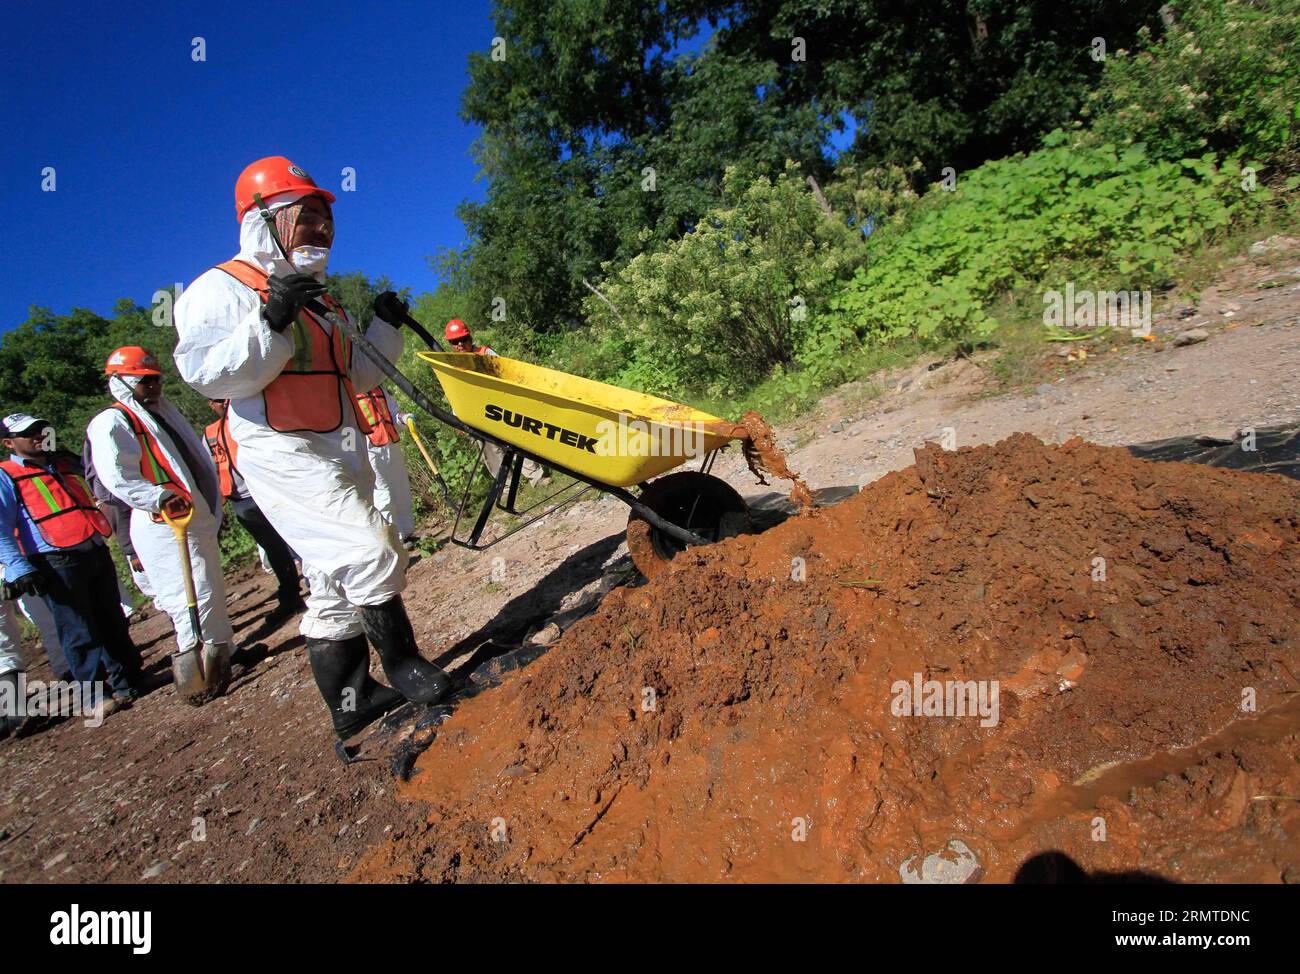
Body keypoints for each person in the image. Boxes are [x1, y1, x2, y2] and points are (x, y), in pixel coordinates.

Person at [171, 156, 450, 745]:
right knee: (369, 548)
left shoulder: (319, 297)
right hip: (282, 450)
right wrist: (270, 321)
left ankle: (351, 704)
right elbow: (207, 373)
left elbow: (359, 372)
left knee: (330, 583)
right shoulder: (218, 288)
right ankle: (407, 668)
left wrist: (383, 326)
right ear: (263, 220)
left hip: (339, 442)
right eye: (308, 216)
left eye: (327, 218)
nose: (322, 229)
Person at [86, 347, 238, 670]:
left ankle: (225, 653)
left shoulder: (162, 415)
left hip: (191, 514)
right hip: (162, 521)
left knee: (210, 586)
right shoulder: (112, 421)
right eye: (145, 381)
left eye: (156, 380)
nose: (154, 387)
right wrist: (155, 497)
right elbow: (117, 474)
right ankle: (201, 666)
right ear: (122, 382)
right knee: (188, 593)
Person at [0, 414, 142, 715]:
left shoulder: (63, 463)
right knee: (77, 631)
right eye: (28, 434)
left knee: (113, 619)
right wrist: (18, 568)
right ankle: (94, 697)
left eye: (40, 429)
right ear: (9, 443)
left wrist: (68, 456)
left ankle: (129, 681)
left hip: (92, 546)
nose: (38, 435)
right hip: (54, 560)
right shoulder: (6, 475)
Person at [204, 399, 306, 622]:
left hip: (268, 490)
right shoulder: (209, 433)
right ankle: (291, 596)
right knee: (273, 549)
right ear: (211, 405)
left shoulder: (251, 420)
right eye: (216, 402)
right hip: (241, 500)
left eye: (224, 400)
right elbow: (209, 468)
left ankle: (319, 582)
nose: (222, 405)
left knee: (296, 538)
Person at [446, 320, 547, 486]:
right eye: (454, 342)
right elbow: (454, 392)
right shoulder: (452, 365)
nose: (460, 344)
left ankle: (536, 477)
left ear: (469, 337)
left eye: (463, 339)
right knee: (489, 449)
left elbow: (505, 373)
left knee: (516, 439)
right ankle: (505, 485)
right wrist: (457, 416)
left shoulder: (485, 352)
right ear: (450, 344)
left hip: (499, 406)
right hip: (475, 412)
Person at [355, 385, 417, 542]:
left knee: (400, 488)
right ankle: (393, 539)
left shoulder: (378, 390)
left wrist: (405, 418)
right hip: (370, 451)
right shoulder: (350, 397)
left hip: (390, 444)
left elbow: (394, 414)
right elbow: (347, 431)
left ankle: (406, 533)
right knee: (383, 493)